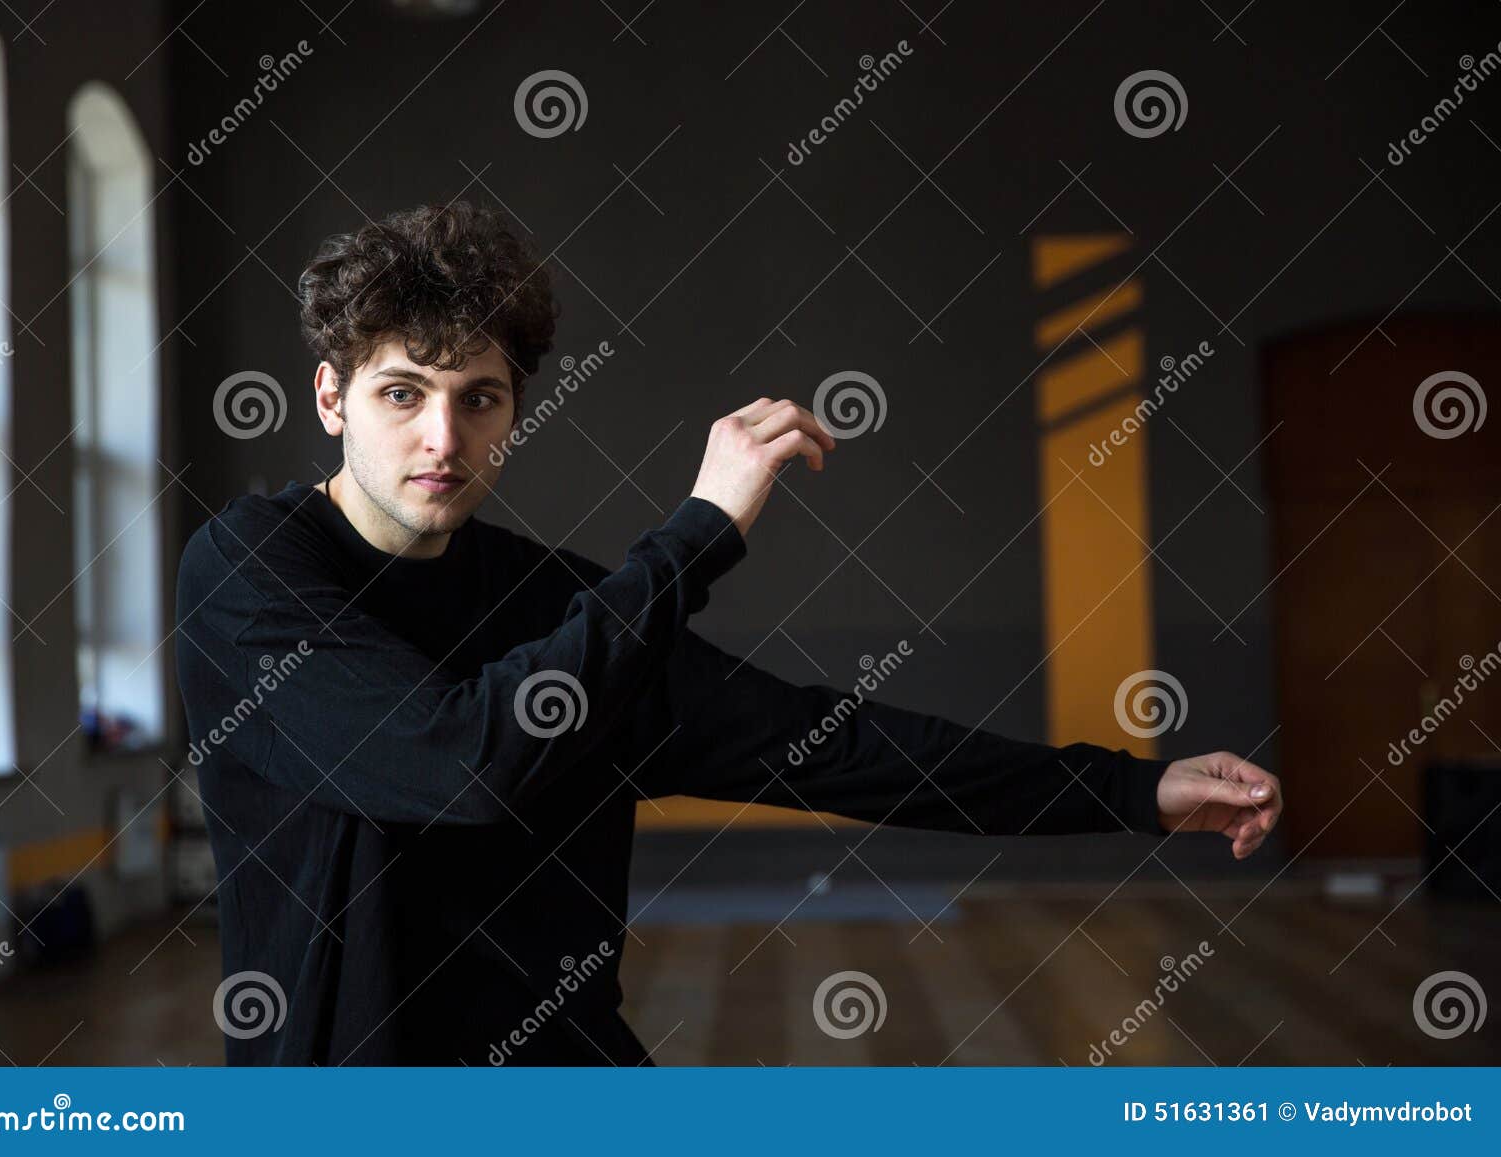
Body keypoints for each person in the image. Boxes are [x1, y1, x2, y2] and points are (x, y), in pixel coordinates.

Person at [173, 201, 1282, 1066]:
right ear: (330, 399)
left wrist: (1131, 791)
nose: (441, 435)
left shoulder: (556, 606)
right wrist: (697, 533)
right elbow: (461, 759)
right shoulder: (248, 575)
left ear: (514, 412)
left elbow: (825, 745)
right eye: (401, 393)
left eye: (479, 398)